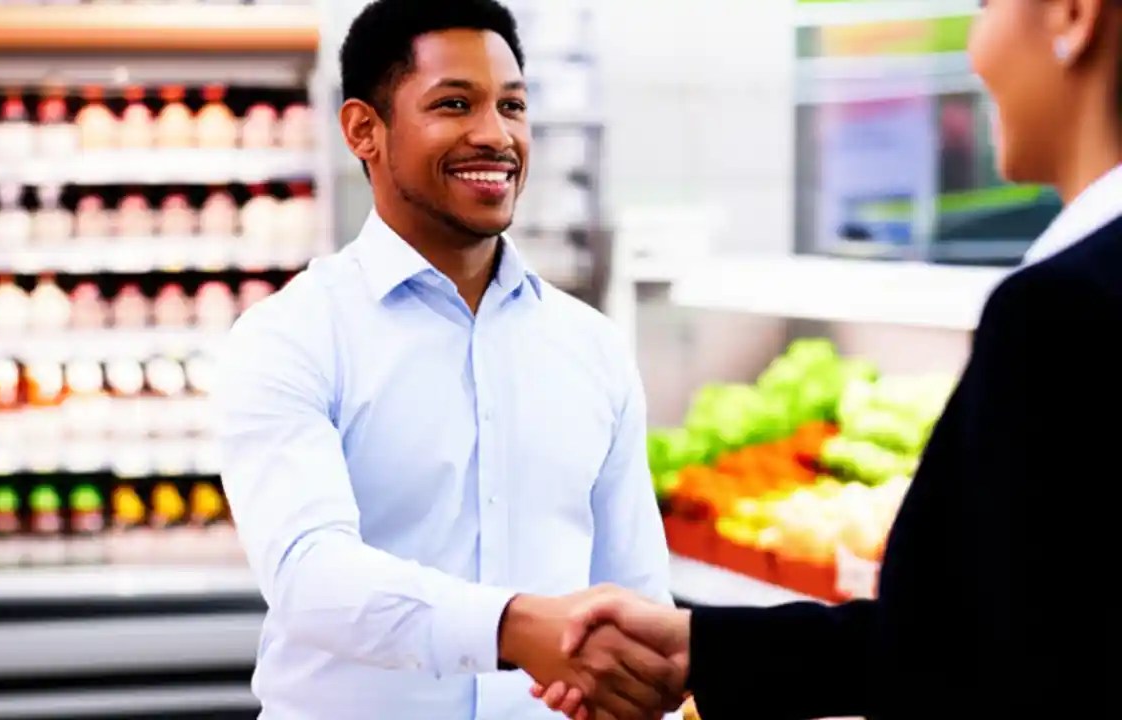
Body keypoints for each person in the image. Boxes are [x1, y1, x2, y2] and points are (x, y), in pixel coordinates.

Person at [533, 1, 1122, 718]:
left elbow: (981, 670)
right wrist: (700, 647)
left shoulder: (1060, 310)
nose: (973, 49)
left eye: (985, 5)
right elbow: (968, 641)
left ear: (1072, 15)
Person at [214, 1, 681, 718]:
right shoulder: (291, 337)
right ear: (364, 130)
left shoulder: (591, 346)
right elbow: (309, 575)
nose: (496, 135)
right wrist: (516, 627)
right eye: (455, 104)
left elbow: (637, 593)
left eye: (513, 106)